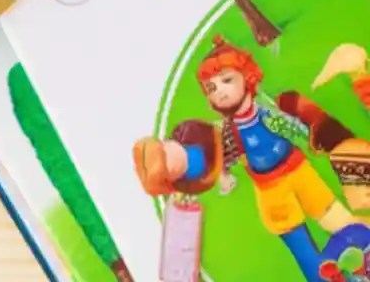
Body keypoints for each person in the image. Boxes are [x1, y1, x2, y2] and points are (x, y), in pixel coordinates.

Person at [133, 36, 369, 282]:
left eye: (226, 80)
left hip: (301, 171)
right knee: (305, 252)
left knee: (345, 223)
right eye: (212, 89)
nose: (220, 92)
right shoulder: (227, 131)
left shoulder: (270, 111)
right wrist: (174, 160)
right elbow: (205, 154)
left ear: (248, 77)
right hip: (272, 190)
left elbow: (297, 128)